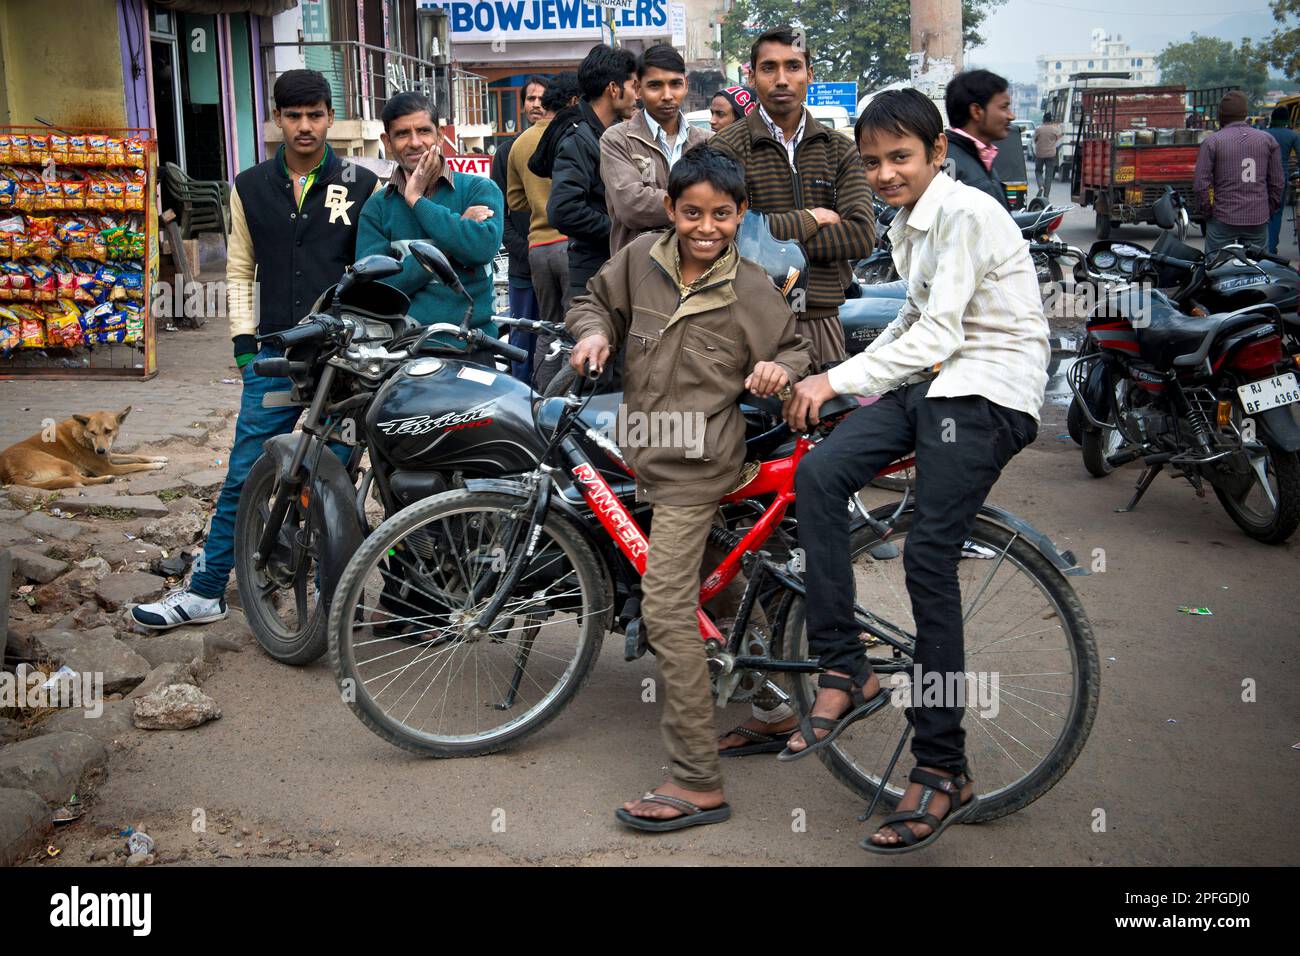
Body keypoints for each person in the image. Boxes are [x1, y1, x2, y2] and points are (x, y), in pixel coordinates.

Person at [782, 89, 1048, 853]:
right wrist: (846, 377)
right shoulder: (909, 224)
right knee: (821, 474)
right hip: (934, 380)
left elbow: (938, 329)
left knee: (930, 556)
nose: (886, 172)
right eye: (872, 162)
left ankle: (941, 767)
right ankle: (844, 669)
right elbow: (912, 319)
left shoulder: (966, 212)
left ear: (938, 153)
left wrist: (832, 381)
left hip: (988, 387)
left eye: (901, 157)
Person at [566, 146, 812, 832]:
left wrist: (774, 370)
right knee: (716, 588)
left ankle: (698, 780)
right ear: (671, 210)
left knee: (668, 609)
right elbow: (593, 301)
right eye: (693, 212)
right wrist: (591, 338)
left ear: (740, 217)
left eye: (723, 215)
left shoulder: (753, 288)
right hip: (646, 455)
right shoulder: (642, 257)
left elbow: (796, 352)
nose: (707, 227)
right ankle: (774, 710)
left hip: (699, 469)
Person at [131, 70, 378, 630]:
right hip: (272, 358)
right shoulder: (248, 185)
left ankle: (334, 600)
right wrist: (244, 348)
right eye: (294, 117)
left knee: (330, 482)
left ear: (330, 117)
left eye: (315, 115)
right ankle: (207, 592)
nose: (305, 127)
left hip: (337, 363)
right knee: (245, 474)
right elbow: (241, 269)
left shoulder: (361, 185)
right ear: (277, 121)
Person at [713, 25, 875, 369]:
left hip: (821, 317)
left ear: (809, 75)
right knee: (753, 421)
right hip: (746, 318)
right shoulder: (725, 149)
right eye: (769, 68)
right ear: (752, 76)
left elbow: (861, 236)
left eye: (793, 66)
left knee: (825, 419)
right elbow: (723, 235)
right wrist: (812, 220)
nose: (782, 79)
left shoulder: (840, 149)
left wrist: (765, 238)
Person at [355, 93, 503, 350]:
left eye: (423, 130)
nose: (415, 142)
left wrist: (416, 201)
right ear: (386, 142)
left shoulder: (479, 189)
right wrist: (447, 247)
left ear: (440, 134)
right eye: (402, 134)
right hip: (406, 354)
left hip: (475, 347)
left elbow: (482, 248)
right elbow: (373, 293)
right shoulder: (377, 208)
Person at [541, 43, 638, 389]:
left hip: (614, 267)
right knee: (595, 375)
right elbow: (562, 209)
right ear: (614, 89)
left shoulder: (607, 132)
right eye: (635, 85)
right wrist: (621, 229)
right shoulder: (579, 136)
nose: (638, 95)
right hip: (592, 272)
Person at [601, 44, 711, 256]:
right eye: (655, 86)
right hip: (641, 266)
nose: (667, 95)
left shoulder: (707, 141)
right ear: (638, 89)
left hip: (698, 263)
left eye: (675, 84)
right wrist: (701, 203)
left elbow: (725, 201)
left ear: (686, 85)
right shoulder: (618, 139)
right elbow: (631, 207)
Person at [508, 73, 580, 389]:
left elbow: (514, 200)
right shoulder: (572, 134)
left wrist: (539, 205)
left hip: (537, 248)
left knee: (547, 329)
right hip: (569, 243)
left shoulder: (518, 145)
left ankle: (541, 398)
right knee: (575, 326)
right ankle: (565, 404)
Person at [492, 76, 550, 383]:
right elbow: (499, 209)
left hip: (558, 265)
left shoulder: (566, 145)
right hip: (522, 267)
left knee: (556, 341)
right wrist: (524, 249)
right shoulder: (507, 152)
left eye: (542, 99)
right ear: (523, 104)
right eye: (531, 99)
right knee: (522, 343)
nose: (537, 104)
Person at [1195, 91, 1284, 260]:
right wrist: (1269, 209)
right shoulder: (1268, 140)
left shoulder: (1213, 142)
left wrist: (1208, 211)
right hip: (1257, 217)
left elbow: (1201, 184)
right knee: (1257, 267)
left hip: (1223, 217)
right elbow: (1278, 183)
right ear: (1244, 113)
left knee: (1215, 268)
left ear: (1221, 116)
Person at [942, 69, 1014, 211]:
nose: (1011, 116)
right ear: (976, 111)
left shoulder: (980, 156)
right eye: (1004, 107)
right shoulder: (947, 160)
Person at [1263, 105, 1299, 255]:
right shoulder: (1293, 136)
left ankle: (1261, 245)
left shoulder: (1263, 134)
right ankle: (1271, 248)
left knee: (1261, 212)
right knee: (1276, 213)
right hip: (1281, 177)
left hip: (1261, 176)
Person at [1032, 112, 1061, 202]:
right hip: (1051, 155)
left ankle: (1040, 185)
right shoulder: (1055, 129)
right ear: (1051, 120)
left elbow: (1034, 139)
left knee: (1038, 171)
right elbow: (1058, 138)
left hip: (1040, 154)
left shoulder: (1039, 129)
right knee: (1049, 176)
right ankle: (1046, 197)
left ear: (1043, 120)